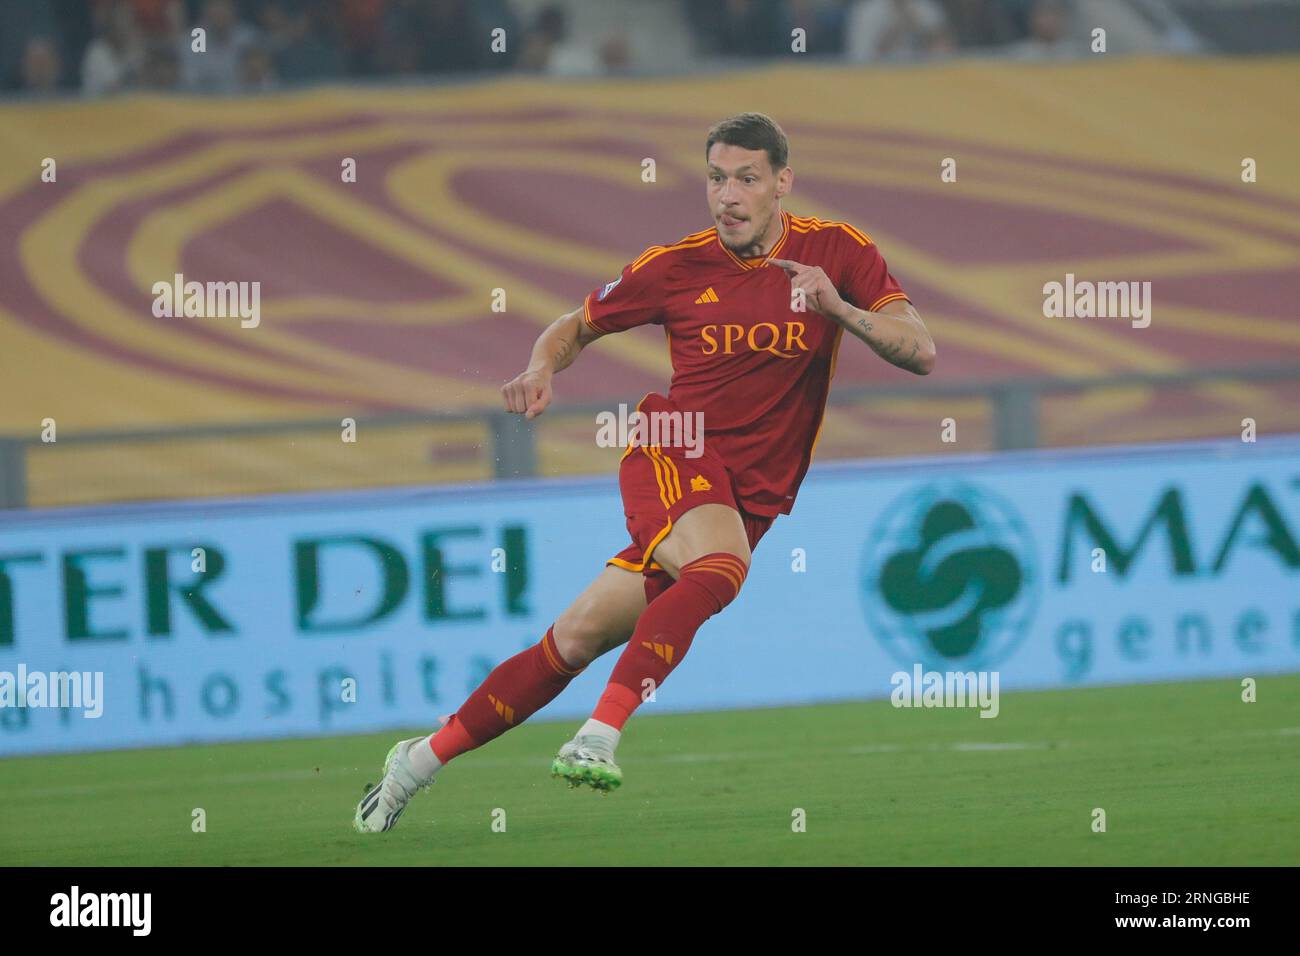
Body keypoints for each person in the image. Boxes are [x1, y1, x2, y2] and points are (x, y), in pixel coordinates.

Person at [355, 112, 936, 834]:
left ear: (782, 183)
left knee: (574, 639)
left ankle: (416, 762)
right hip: (671, 448)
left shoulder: (837, 254)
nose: (728, 195)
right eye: (716, 178)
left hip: (745, 493)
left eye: (747, 179)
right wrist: (541, 367)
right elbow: (572, 326)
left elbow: (920, 351)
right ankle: (600, 732)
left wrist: (839, 308)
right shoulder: (675, 266)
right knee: (723, 565)